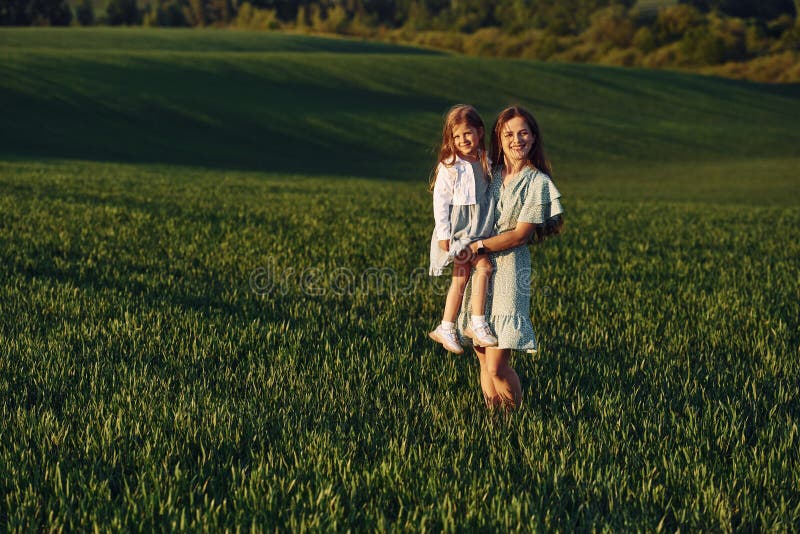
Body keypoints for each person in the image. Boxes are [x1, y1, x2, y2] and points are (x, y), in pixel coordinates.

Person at [459, 105, 563, 410]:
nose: (517, 140)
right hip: (480, 270)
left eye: (523, 133)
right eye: (509, 134)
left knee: (496, 366)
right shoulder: (490, 172)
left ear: (533, 137)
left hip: (510, 269)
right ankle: (496, 424)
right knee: (481, 359)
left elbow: (520, 234)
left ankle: (514, 420)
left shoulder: (538, 182)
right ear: (499, 138)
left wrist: (478, 246)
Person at [428, 105, 499, 355]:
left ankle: (448, 326)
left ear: (479, 132)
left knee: (463, 276)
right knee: (481, 268)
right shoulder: (450, 165)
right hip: (460, 231)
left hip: (479, 227)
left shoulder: (484, 159)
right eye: (456, 137)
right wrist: (445, 235)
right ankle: (475, 323)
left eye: (467, 134)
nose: (462, 140)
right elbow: (441, 201)